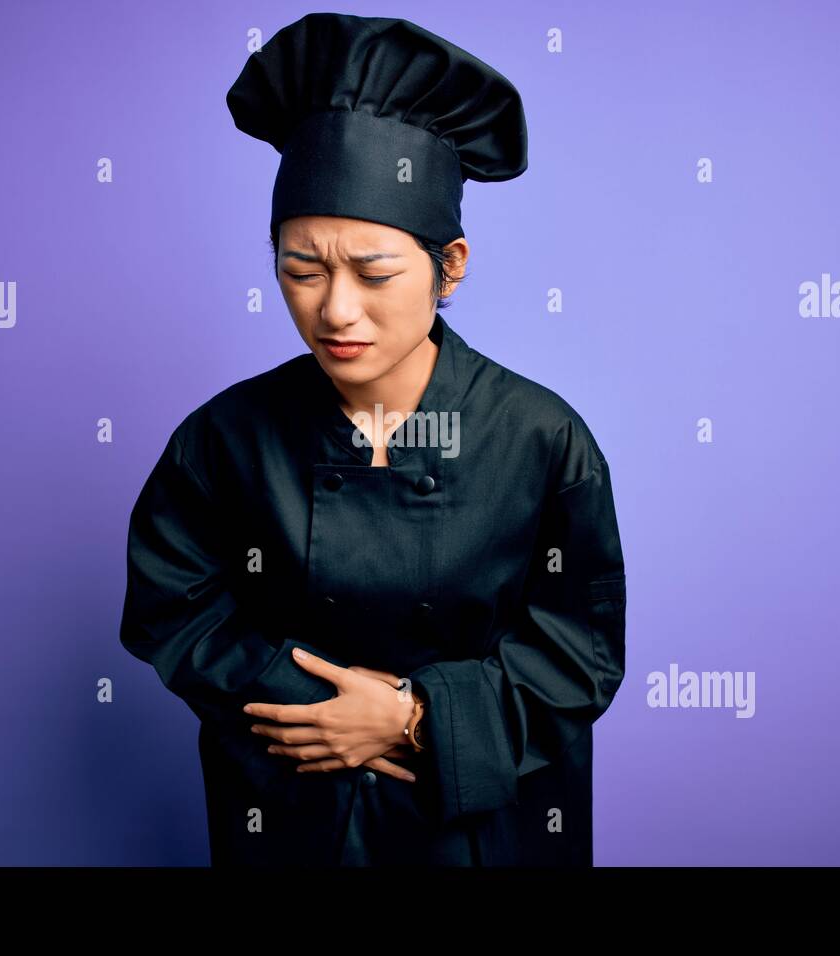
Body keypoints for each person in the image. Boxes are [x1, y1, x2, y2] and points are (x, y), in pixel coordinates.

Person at [119, 12, 627, 866]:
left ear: (451, 265)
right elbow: (175, 606)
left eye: (374, 272)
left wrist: (416, 715)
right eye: (301, 270)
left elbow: (583, 649)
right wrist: (320, 714)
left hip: (483, 830)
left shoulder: (541, 438)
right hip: (289, 818)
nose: (335, 309)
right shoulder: (224, 440)